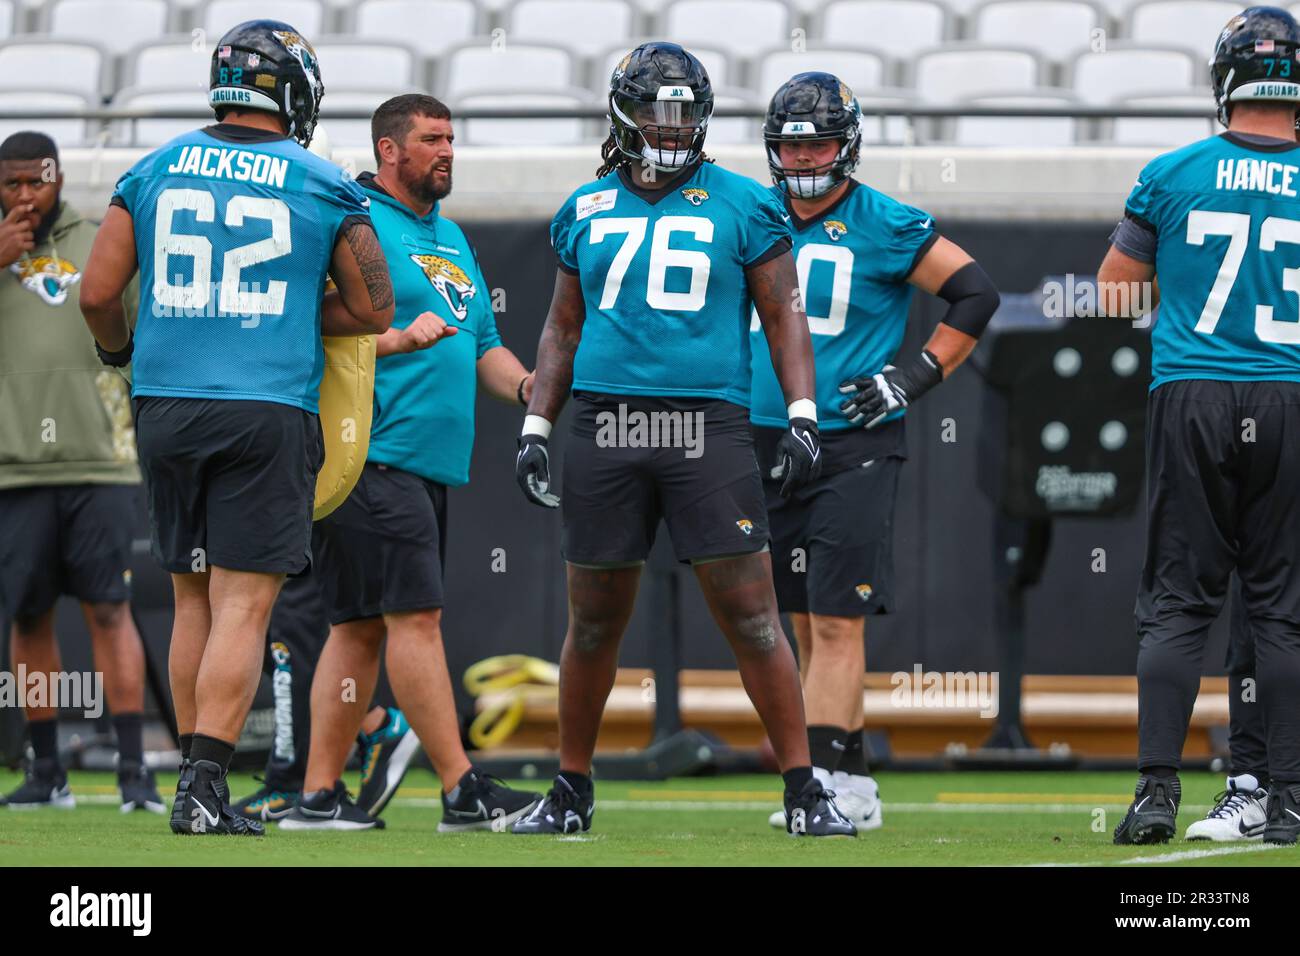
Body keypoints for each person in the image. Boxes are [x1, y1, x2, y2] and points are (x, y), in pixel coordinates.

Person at [512, 42, 853, 837]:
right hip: (606, 422)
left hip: (707, 423)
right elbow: (562, 329)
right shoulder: (586, 206)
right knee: (592, 618)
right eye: (657, 113)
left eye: (683, 114)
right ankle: (571, 790)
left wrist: (803, 413)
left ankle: (804, 788)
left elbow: (784, 315)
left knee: (754, 617)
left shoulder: (742, 202)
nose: (671, 129)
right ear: (624, 115)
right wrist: (536, 426)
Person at [78, 19, 394, 835]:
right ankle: (206, 788)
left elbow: (96, 295)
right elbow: (374, 306)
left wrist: (122, 355)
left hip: (166, 404)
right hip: (264, 408)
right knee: (244, 607)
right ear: (290, 91)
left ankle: (193, 777)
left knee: (190, 599)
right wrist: (289, 313)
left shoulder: (153, 167)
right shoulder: (319, 180)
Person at [278, 94, 541, 832]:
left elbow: (482, 342)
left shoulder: (451, 235)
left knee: (356, 628)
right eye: (431, 139)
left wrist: (527, 387)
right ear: (389, 150)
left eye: (452, 137)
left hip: (425, 463)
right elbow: (312, 317)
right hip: (371, 451)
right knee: (414, 620)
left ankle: (319, 796)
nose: (447, 151)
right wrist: (393, 339)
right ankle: (461, 789)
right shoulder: (351, 218)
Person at [749, 73, 998, 831]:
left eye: (817, 141)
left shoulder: (885, 221)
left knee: (835, 622)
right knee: (795, 617)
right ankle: (849, 777)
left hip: (851, 440)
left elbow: (975, 293)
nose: (802, 156)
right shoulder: (753, 214)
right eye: (791, 143)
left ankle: (822, 780)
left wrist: (914, 376)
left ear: (848, 144)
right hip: (764, 434)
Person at [1100, 5, 1300, 845]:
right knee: (1283, 609)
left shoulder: (1174, 171)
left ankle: (1155, 794)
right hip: (1290, 395)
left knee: (1180, 604)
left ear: (1225, 81)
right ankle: (1283, 798)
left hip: (1193, 395)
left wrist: (1184, 298)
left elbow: (1115, 291)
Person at [0, 131, 162, 814]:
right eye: (12, 184)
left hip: (101, 458)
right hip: (15, 468)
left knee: (110, 609)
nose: (26, 196)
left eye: (38, 181)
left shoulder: (100, 236)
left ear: (59, 177)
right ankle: (46, 771)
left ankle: (134, 772)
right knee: (30, 617)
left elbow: (138, 333)